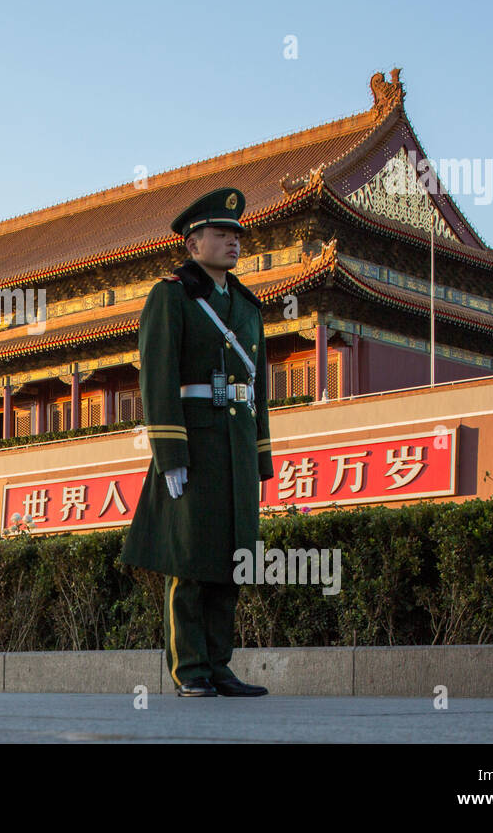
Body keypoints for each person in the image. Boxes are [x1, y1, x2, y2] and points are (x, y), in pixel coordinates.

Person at [120, 186, 275, 698]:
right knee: (189, 560)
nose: (232, 242)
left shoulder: (248, 306)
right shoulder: (172, 296)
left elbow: (257, 388)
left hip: (234, 443)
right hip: (194, 443)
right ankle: (190, 670)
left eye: (236, 234)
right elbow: (158, 375)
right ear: (192, 243)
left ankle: (219, 665)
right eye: (220, 233)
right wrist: (170, 453)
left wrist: (261, 456)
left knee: (230, 558)